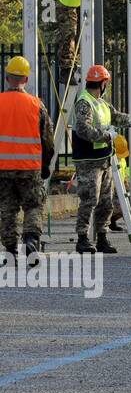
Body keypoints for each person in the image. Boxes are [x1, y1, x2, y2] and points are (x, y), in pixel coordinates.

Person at [71, 64, 131, 253]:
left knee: (105, 201)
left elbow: (115, 116)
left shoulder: (101, 103)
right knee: (89, 199)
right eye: (106, 83)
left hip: (104, 159)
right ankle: (82, 238)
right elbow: (83, 129)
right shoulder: (84, 102)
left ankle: (102, 238)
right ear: (102, 83)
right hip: (88, 161)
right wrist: (107, 136)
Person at [0, 57, 55, 262]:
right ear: (26, 78)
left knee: (7, 208)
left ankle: (10, 250)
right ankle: (31, 239)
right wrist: (46, 164)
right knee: (33, 205)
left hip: (2, 168)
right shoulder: (36, 104)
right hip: (29, 167)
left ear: (7, 78)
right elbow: (47, 138)